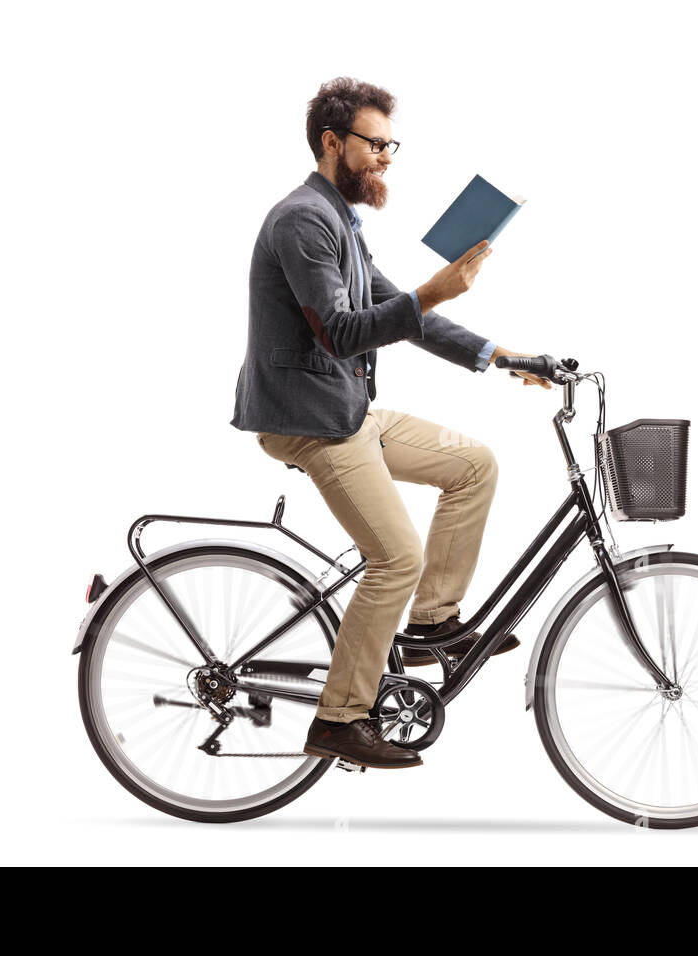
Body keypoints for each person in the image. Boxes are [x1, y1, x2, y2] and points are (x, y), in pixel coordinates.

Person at [230, 77, 550, 770]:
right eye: (374, 146)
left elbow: (400, 314)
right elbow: (345, 333)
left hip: (344, 410)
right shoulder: (300, 222)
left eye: (389, 146)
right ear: (332, 143)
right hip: (310, 420)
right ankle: (339, 717)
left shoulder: (338, 221)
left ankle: (433, 625)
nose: (384, 159)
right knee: (395, 557)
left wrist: (501, 355)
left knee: (474, 464)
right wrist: (433, 287)